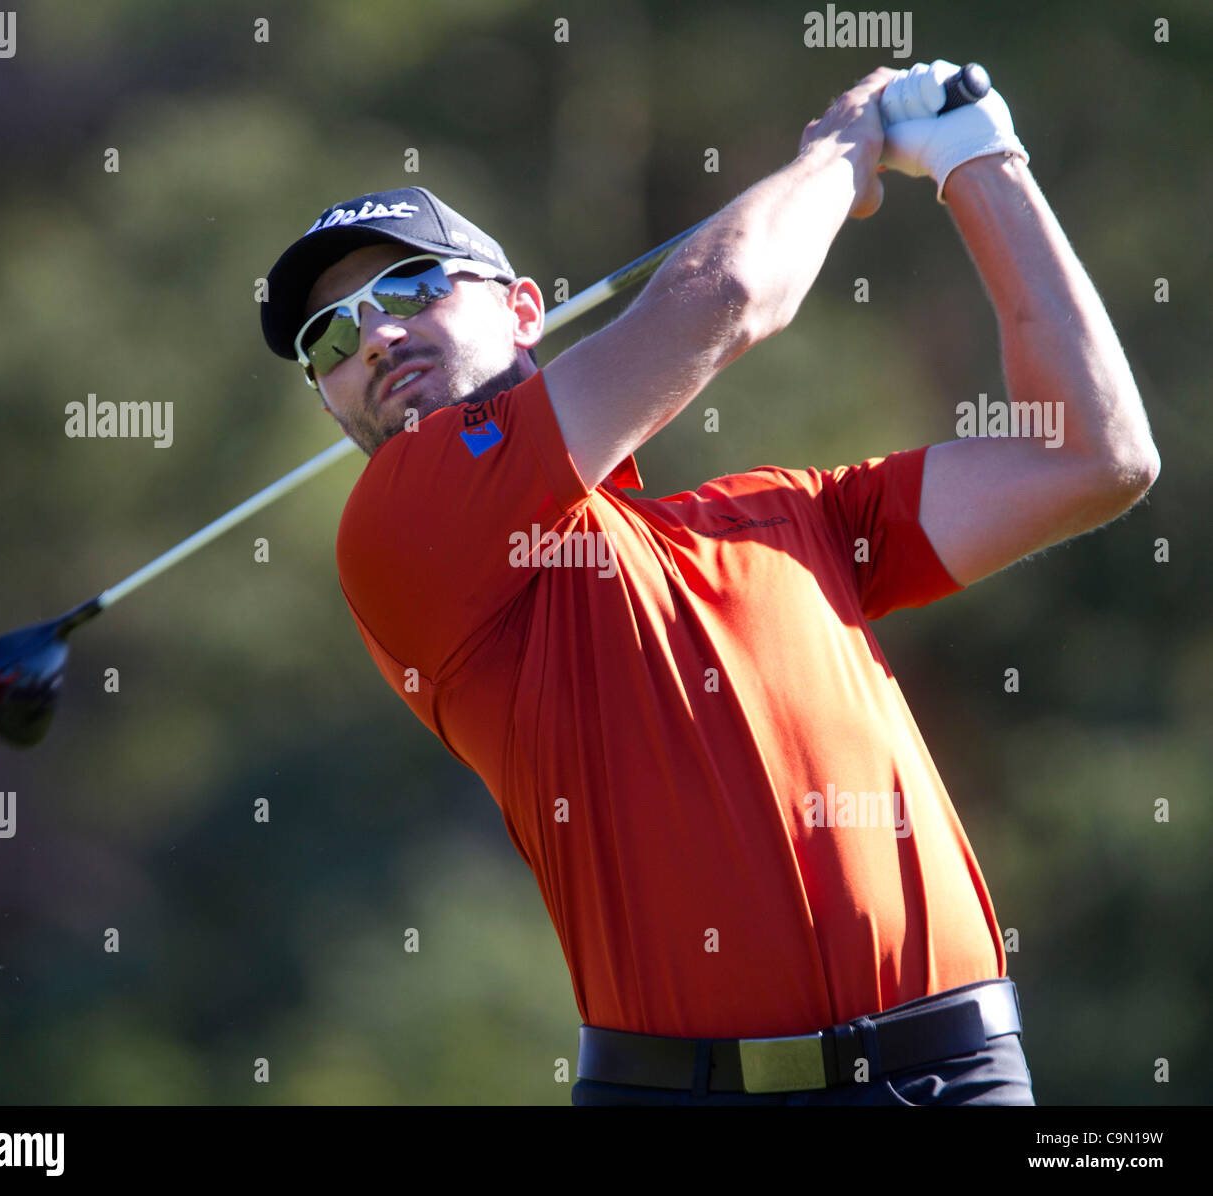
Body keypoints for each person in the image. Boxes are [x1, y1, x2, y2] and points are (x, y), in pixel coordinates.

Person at [258, 61, 1159, 1105]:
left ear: (521, 311)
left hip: (953, 1075)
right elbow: (728, 296)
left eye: (409, 287)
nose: (371, 336)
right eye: (331, 336)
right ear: (328, 405)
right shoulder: (400, 528)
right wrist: (839, 154)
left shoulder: (789, 513)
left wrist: (979, 158)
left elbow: (1090, 456)